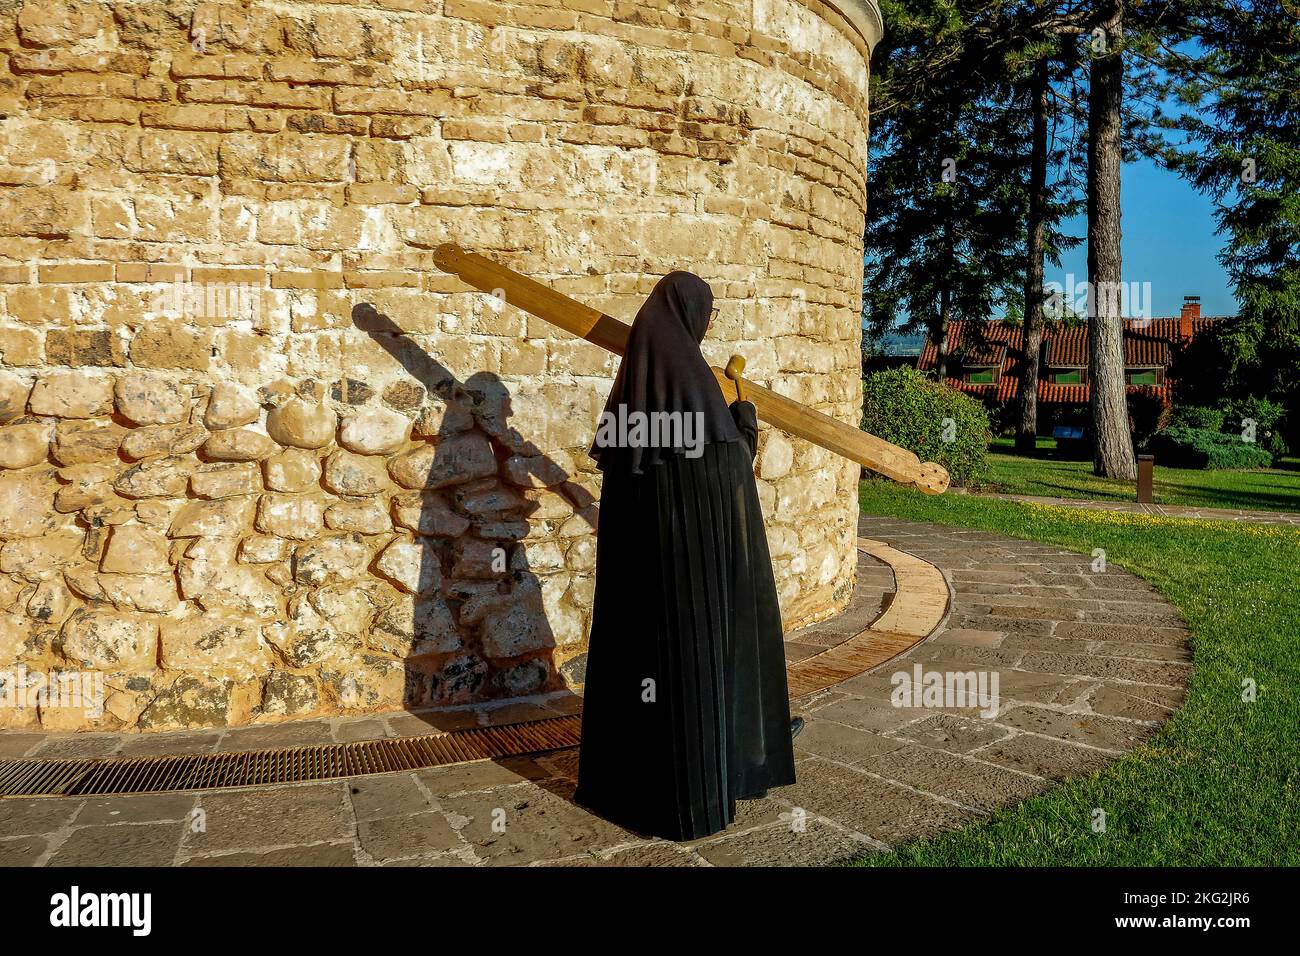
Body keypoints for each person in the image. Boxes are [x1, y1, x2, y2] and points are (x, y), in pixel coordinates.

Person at [574, 270, 798, 842]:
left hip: (642, 584)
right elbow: (725, 475)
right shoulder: (697, 390)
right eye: (709, 313)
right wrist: (744, 425)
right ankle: (693, 800)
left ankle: (626, 790)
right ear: (692, 318)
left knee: (640, 676)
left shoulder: (631, 397)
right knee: (693, 677)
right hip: (693, 584)